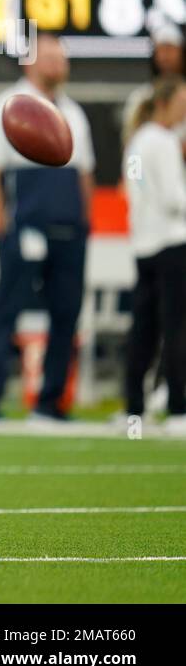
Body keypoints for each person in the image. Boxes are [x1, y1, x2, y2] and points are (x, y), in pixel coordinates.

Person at [0, 33, 96, 423]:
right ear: (28, 62)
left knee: (66, 314)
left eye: (63, 56)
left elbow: (84, 173)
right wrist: (2, 225)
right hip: (24, 228)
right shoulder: (4, 109)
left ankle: (50, 402)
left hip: (69, 229)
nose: (59, 63)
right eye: (50, 56)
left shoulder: (73, 113)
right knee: (5, 311)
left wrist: (85, 221)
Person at [121, 75, 186, 434]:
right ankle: (178, 408)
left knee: (143, 330)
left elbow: (137, 192)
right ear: (164, 103)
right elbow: (174, 199)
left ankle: (135, 409)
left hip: (143, 245)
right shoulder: (162, 141)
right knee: (176, 328)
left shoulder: (138, 140)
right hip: (172, 244)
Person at [121, 15, 184, 140]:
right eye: (161, 50)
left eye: (170, 50)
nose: (165, 57)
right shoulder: (141, 98)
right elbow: (132, 156)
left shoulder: (183, 96)